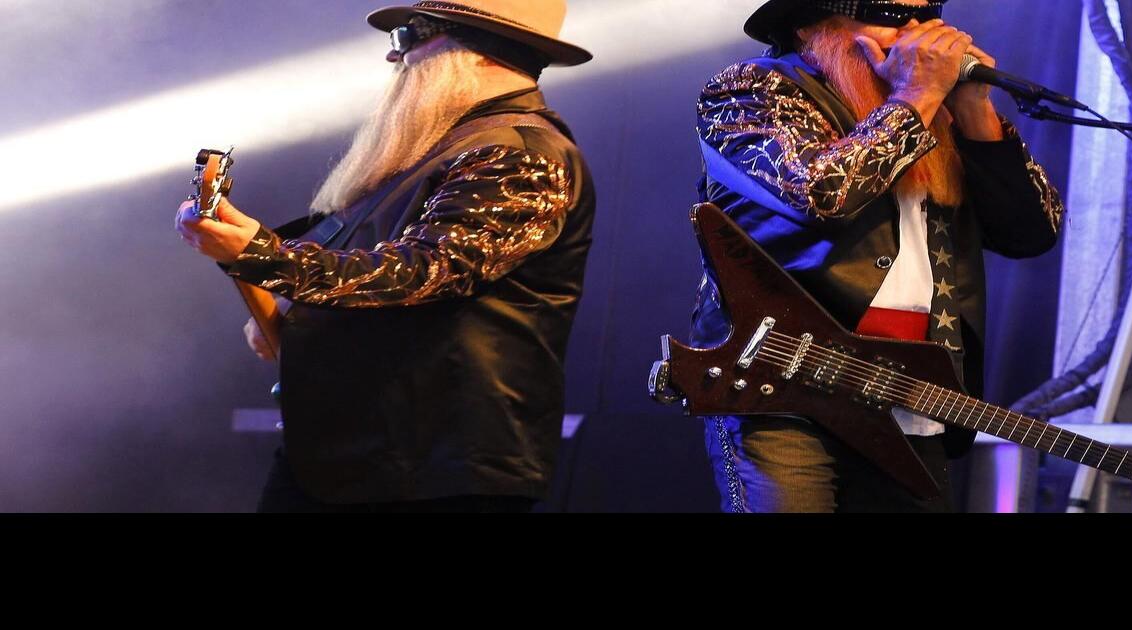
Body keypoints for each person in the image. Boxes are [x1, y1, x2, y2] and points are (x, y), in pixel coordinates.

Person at [175, 0, 595, 513]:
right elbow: (359, 251)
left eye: (408, 36)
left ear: (479, 51)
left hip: (435, 468)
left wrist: (264, 258)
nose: (395, 58)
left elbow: (427, 270)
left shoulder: (521, 155)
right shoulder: (437, 155)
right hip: (358, 457)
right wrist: (281, 292)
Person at [691, 0, 1065, 512]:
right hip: (784, 387)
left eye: (928, 15)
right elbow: (824, 193)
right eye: (887, 16)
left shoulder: (940, 112)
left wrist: (976, 106)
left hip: (908, 395)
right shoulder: (752, 90)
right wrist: (918, 94)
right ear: (812, 25)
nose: (916, 34)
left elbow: (1034, 234)